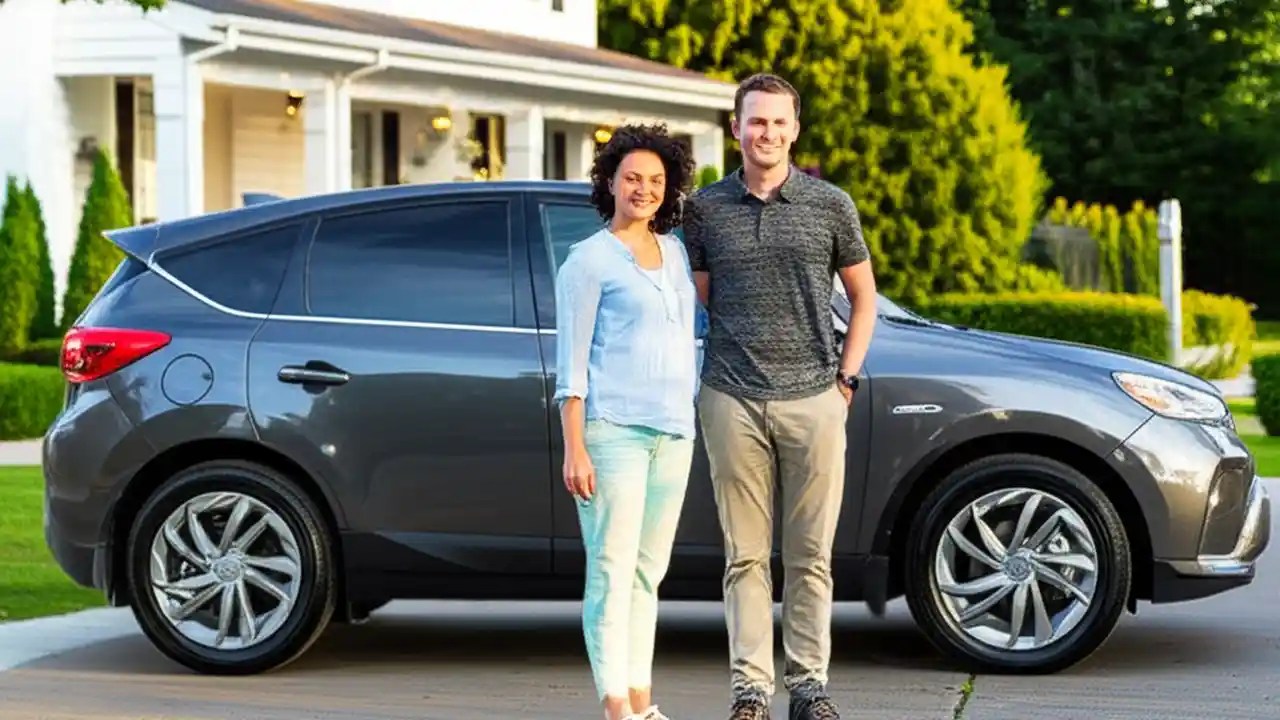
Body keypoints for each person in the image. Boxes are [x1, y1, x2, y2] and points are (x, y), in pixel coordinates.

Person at [681, 73, 878, 720]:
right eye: (754, 121)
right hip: (730, 398)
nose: (766, 133)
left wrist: (844, 378)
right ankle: (749, 693)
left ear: (795, 129)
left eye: (778, 122)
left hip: (814, 398)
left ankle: (809, 688)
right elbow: (704, 296)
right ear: (735, 128)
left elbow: (863, 298)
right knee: (743, 556)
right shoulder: (705, 209)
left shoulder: (831, 205)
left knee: (810, 555)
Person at [554, 123, 701, 720]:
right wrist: (575, 448)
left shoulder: (677, 252)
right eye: (633, 177)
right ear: (610, 182)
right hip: (612, 434)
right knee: (611, 572)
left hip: (674, 434)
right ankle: (616, 708)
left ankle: (642, 701)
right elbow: (571, 369)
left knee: (647, 574)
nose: (644, 189)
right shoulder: (586, 262)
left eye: (656, 180)